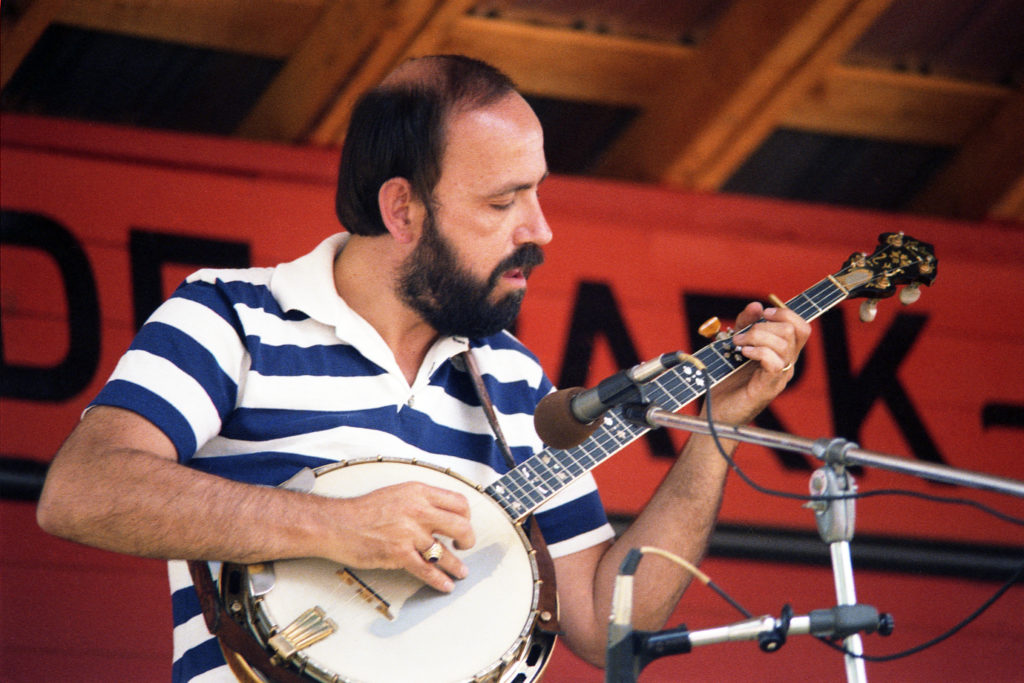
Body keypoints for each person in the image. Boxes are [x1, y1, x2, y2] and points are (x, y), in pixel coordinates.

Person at [36, 54, 811, 682]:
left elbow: (609, 628)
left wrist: (717, 428)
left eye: (537, 193)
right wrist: (340, 527)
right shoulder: (231, 317)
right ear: (402, 209)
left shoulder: (515, 385)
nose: (540, 229)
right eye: (504, 201)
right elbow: (82, 489)